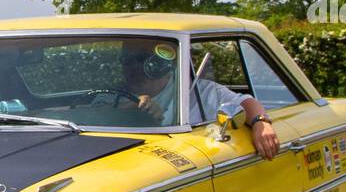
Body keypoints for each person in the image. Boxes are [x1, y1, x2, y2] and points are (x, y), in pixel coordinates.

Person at [118, 40, 280, 160]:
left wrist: (261, 123)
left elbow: (245, 103)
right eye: (126, 59)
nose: (131, 67)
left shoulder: (201, 91)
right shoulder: (109, 95)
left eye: (140, 59)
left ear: (162, 62)